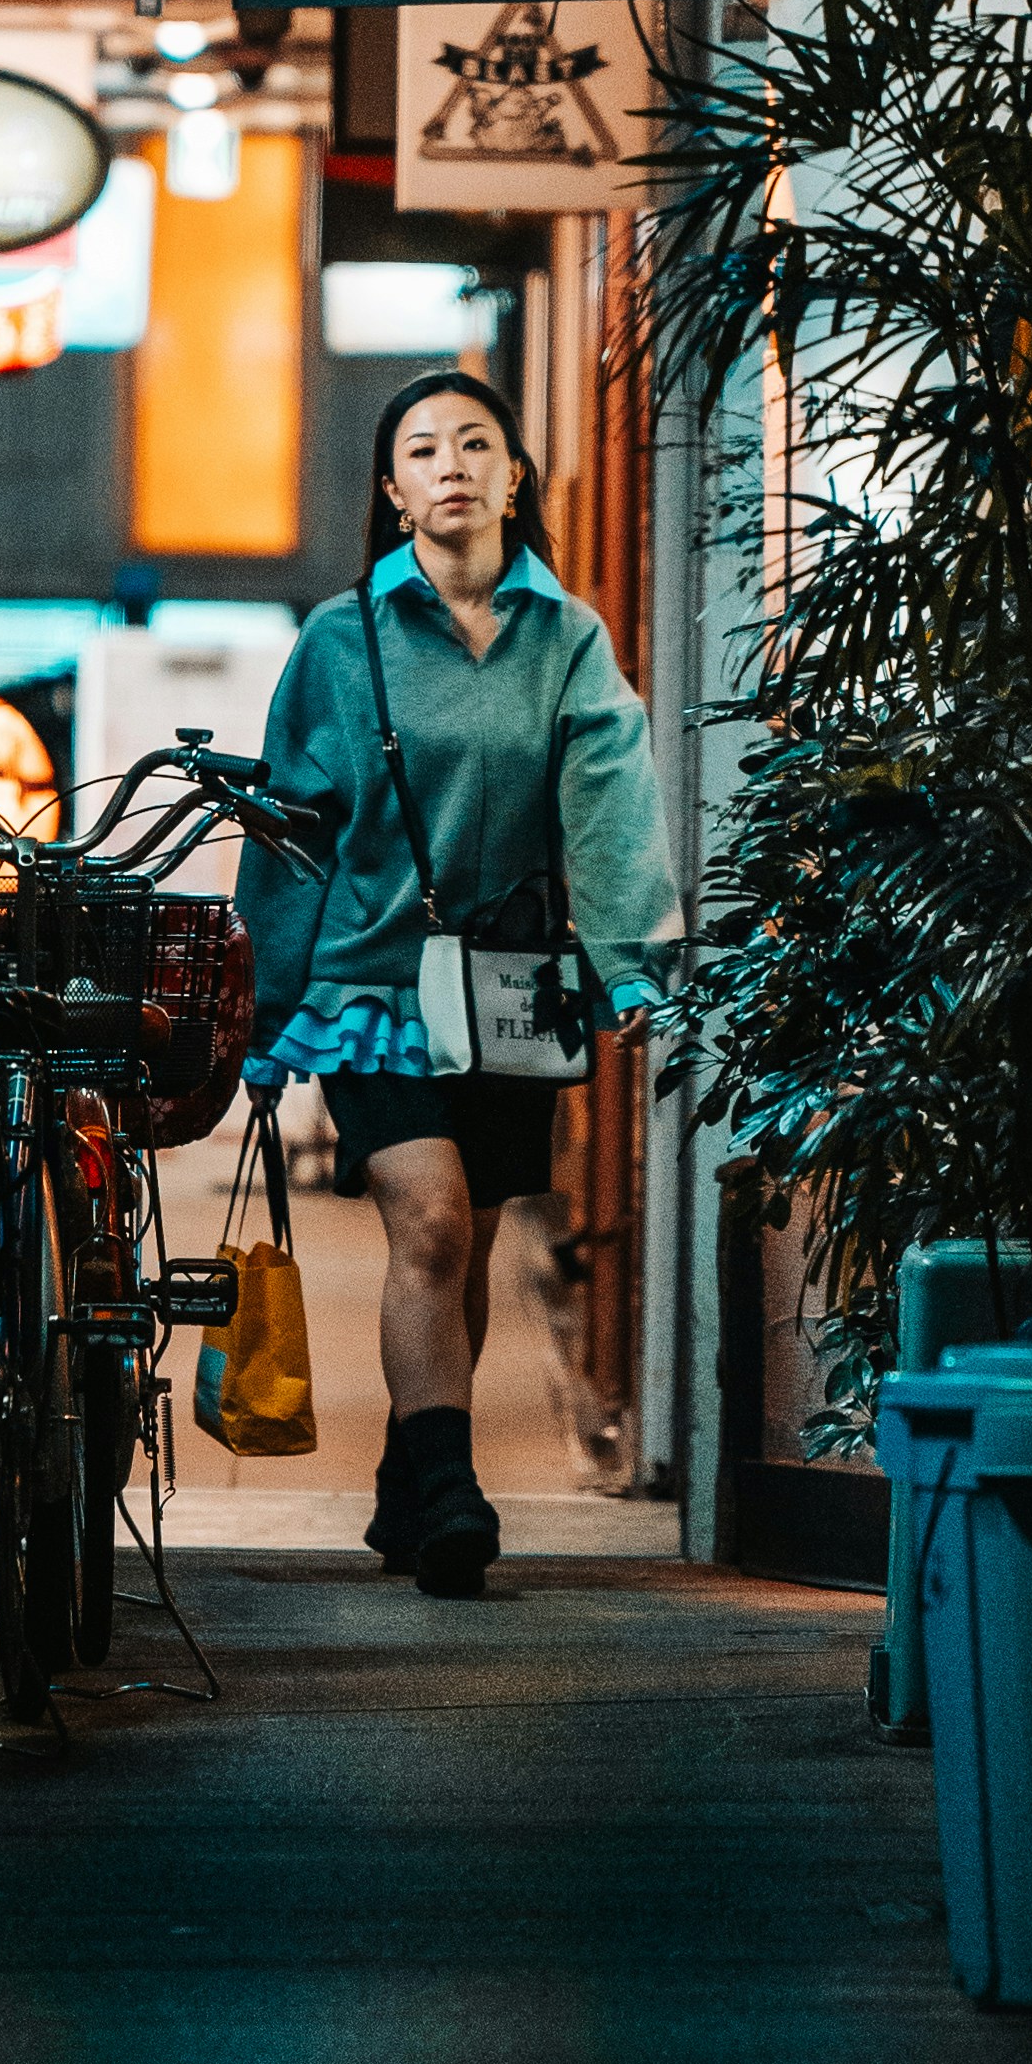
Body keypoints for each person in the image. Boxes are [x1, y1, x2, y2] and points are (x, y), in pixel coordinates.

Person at [237, 367, 681, 1600]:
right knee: (427, 1222)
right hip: (370, 982)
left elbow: (607, 801)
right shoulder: (339, 640)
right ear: (391, 490)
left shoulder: (565, 637)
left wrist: (624, 958)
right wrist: (264, 1008)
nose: (450, 465)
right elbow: (290, 832)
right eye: (421, 449)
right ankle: (448, 1489)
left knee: (470, 1242)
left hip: (511, 991)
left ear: (512, 474)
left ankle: (404, 1478)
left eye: (474, 443)